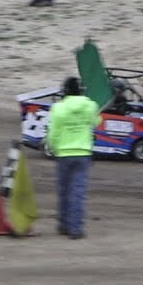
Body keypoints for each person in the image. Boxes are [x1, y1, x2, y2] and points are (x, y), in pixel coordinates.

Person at [45, 76, 99, 239]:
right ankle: (75, 229)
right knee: (78, 192)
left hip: (64, 153)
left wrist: (53, 148)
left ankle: (63, 225)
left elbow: (53, 133)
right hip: (83, 153)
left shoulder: (58, 108)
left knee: (63, 191)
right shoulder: (90, 106)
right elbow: (96, 122)